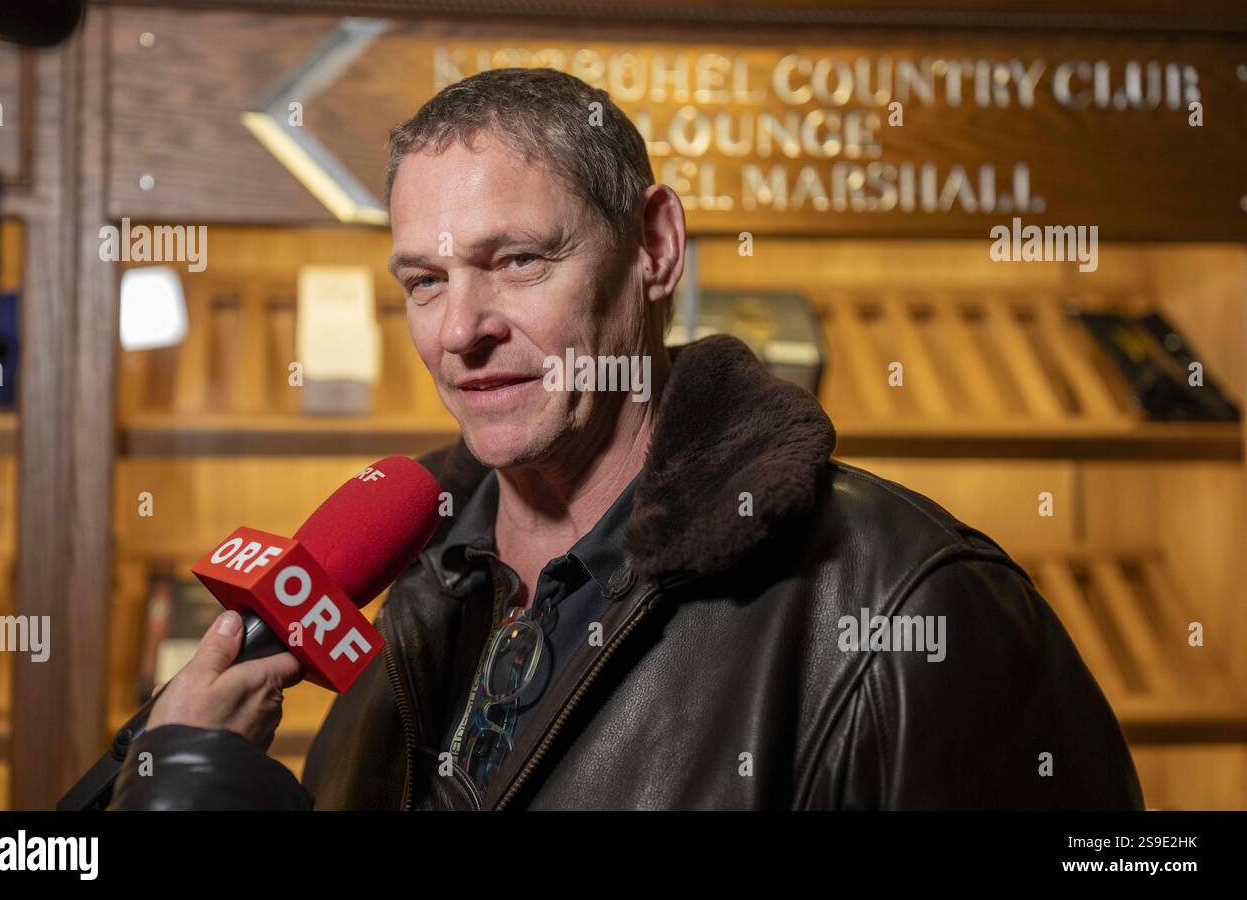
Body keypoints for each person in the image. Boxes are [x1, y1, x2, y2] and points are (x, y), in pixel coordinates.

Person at [110, 67, 1143, 810]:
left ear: (654, 246)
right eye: (423, 280)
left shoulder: (905, 600)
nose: (460, 329)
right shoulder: (406, 584)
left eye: (515, 259)